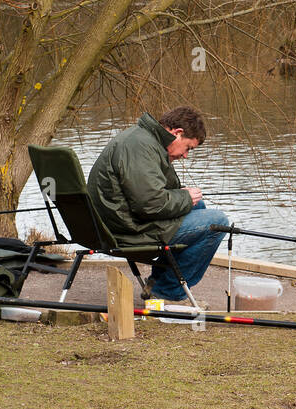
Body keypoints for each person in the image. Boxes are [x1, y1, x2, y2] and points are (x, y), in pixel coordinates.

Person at [86, 106, 228, 303]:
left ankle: (157, 282)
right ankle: (167, 292)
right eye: (188, 148)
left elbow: (148, 193)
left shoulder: (143, 138)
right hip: (126, 231)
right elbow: (150, 205)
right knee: (217, 223)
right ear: (177, 133)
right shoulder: (141, 147)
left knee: (198, 206)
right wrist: (184, 197)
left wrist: (183, 196)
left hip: (121, 220)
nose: (186, 155)